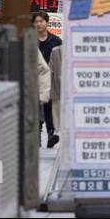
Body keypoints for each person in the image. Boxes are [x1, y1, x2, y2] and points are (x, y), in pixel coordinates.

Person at [33, 10, 62, 148]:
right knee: (35, 106)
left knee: (49, 106)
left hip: (50, 79)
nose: (38, 24)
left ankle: (51, 134)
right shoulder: (30, 40)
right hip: (33, 79)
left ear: (47, 22)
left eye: (41, 21)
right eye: (36, 21)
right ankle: (36, 136)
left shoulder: (56, 41)